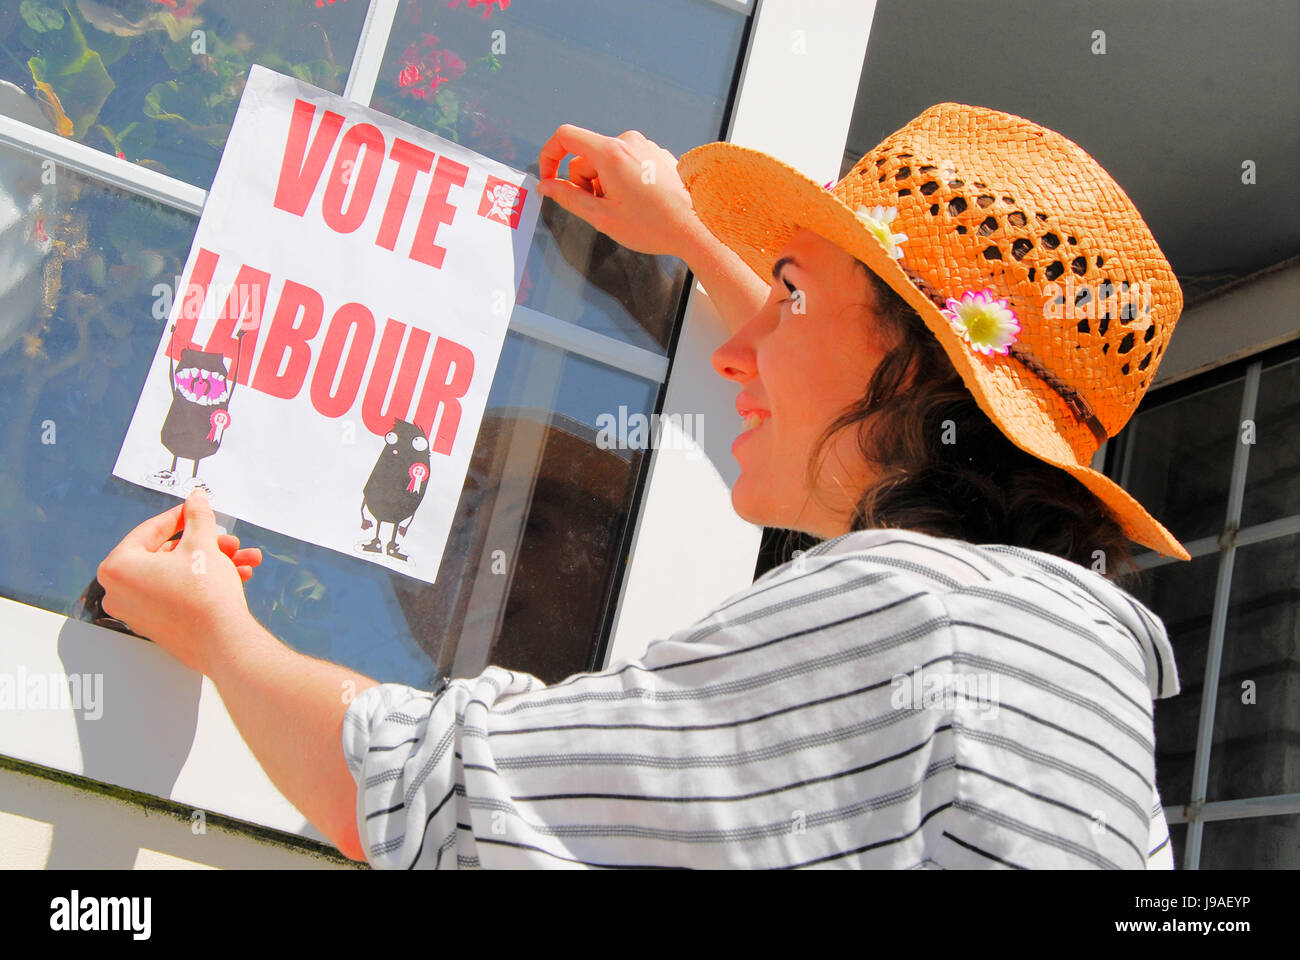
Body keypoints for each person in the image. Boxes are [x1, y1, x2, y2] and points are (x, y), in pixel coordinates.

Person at [96, 102, 1188, 869]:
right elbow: (840, 447)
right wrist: (687, 236)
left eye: (791, 295)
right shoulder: (1064, 660)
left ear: (908, 367)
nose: (733, 348)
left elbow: (438, 800)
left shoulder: (915, 617)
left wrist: (215, 633)